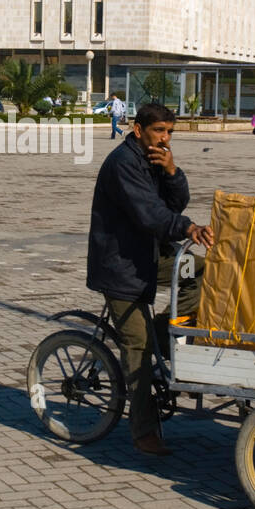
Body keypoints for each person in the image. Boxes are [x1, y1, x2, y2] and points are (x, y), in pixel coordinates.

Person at [87, 102, 215, 456]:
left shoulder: (156, 159)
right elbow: (149, 213)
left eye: (170, 132)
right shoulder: (123, 163)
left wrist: (173, 172)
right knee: (139, 352)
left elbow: (174, 203)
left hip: (152, 254)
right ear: (139, 129)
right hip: (121, 264)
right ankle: (143, 430)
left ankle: (162, 333)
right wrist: (187, 227)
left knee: (202, 272)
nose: (165, 138)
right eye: (159, 131)